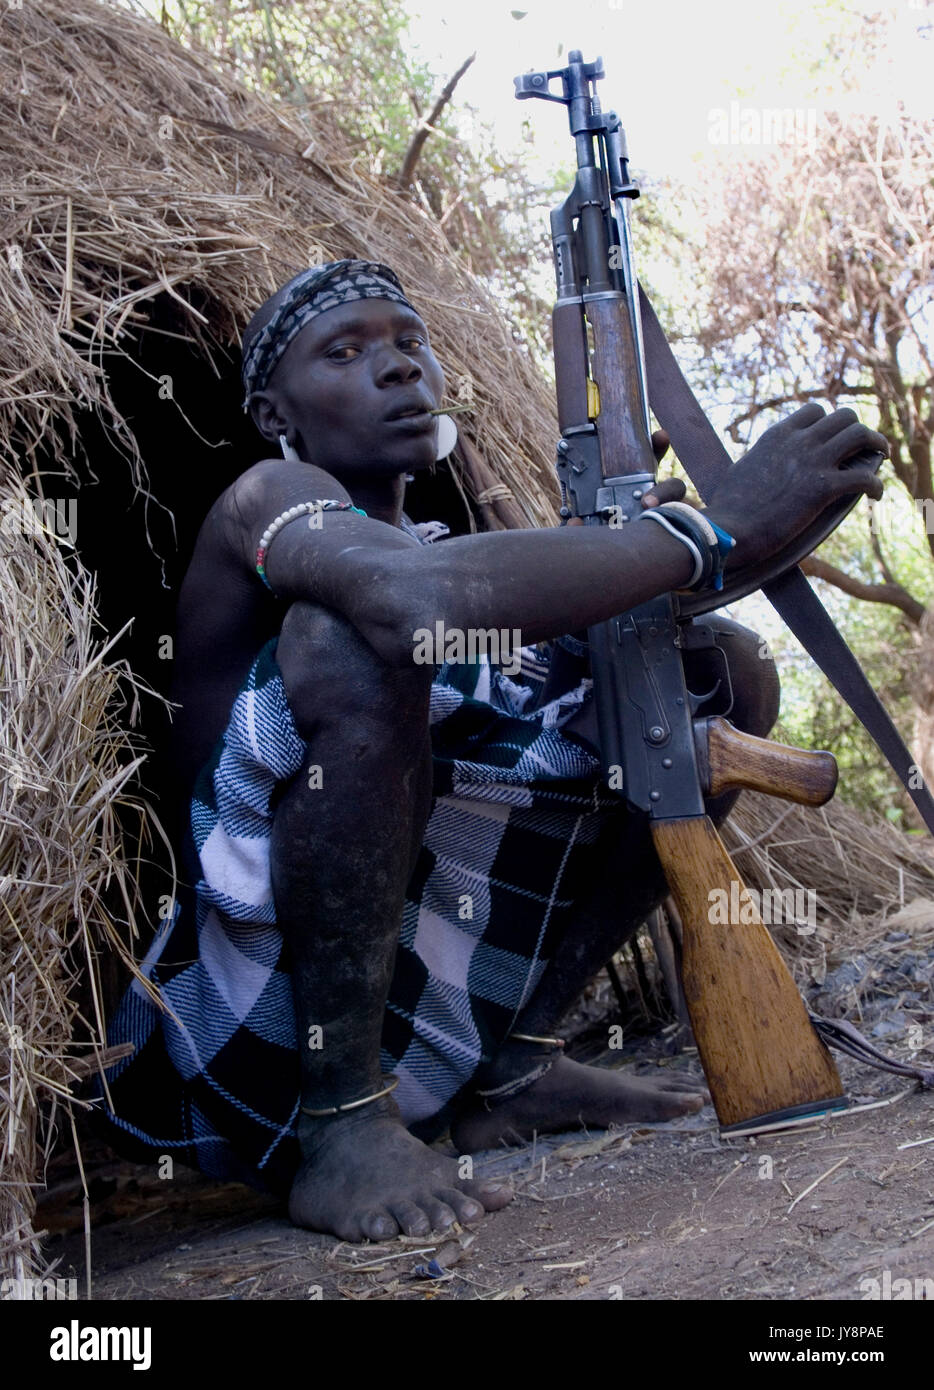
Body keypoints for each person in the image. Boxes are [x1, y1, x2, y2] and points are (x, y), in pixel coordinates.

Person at [97, 260, 886, 1244]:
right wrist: (706, 530)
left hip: (437, 1012)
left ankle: (516, 1063)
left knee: (713, 669)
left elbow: (519, 632)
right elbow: (406, 606)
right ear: (271, 409)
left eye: (407, 341)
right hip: (262, 1038)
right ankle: (343, 1125)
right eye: (344, 351)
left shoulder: (443, 545)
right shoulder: (267, 500)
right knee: (350, 638)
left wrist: (760, 521)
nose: (395, 369)